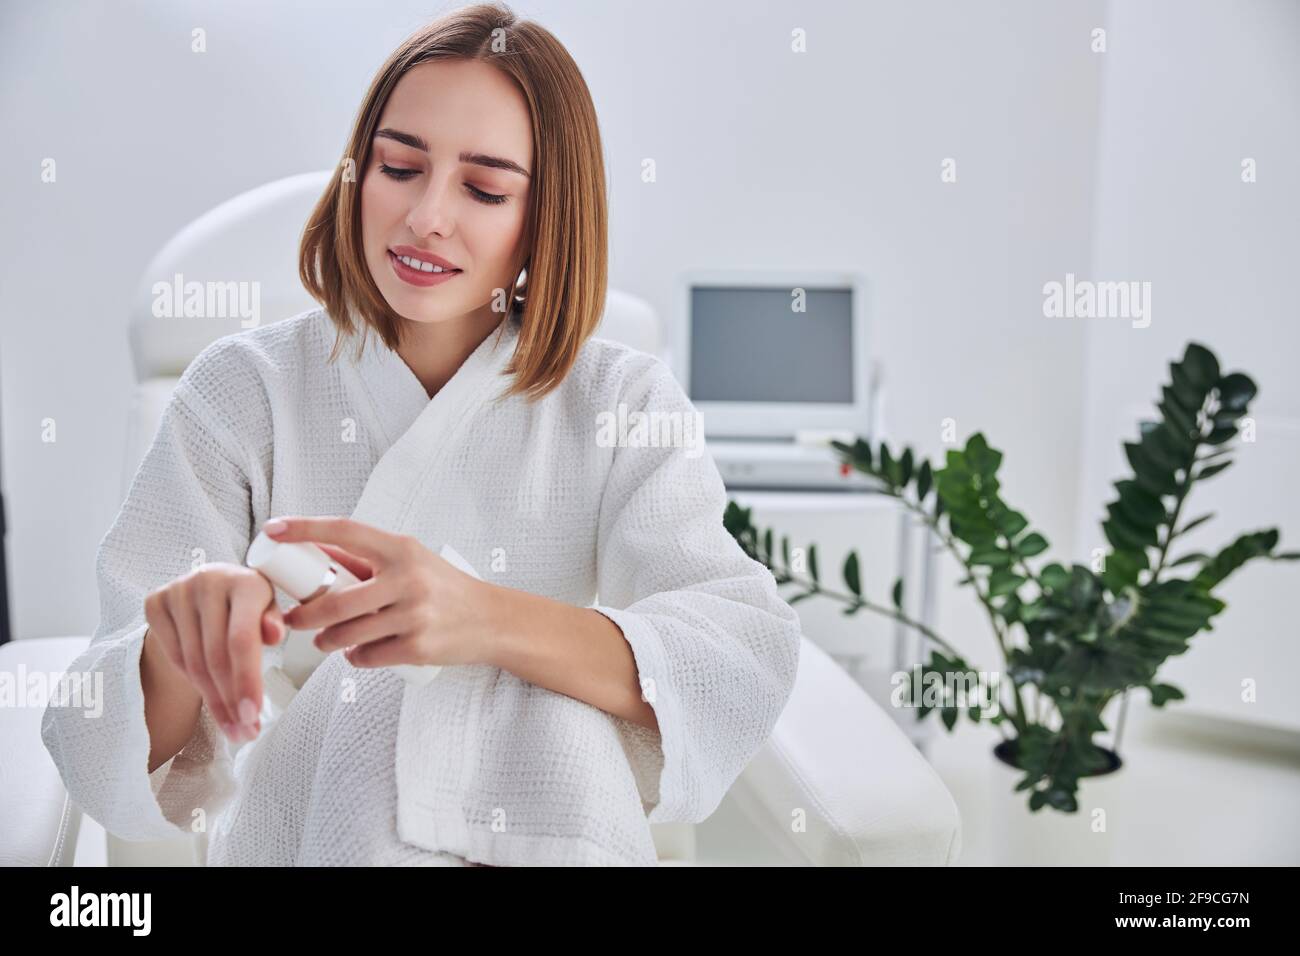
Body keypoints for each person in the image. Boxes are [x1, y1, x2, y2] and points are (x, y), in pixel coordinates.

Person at [41, 2, 802, 867]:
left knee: (516, 700)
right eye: (399, 168)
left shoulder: (623, 401)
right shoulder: (242, 389)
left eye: (484, 189)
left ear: (545, 219)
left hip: (556, 802)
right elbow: (95, 739)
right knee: (376, 689)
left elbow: (735, 652)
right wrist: (182, 653)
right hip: (319, 811)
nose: (426, 216)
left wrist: (481, 620)